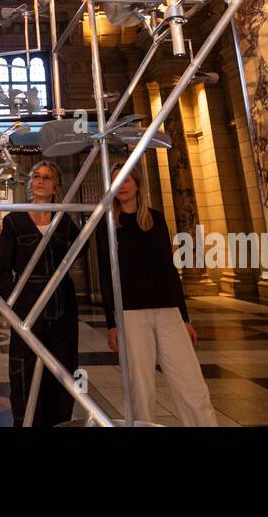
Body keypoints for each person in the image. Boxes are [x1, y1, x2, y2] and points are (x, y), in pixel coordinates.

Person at [95, 165, 218, 426]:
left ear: (138, 183)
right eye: (116, 181)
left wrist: (185, 318)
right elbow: (107, 275)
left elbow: (170, 269)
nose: (123, 185)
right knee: (141, 388)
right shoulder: (107, 225)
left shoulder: (156, 219)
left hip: (167, 310)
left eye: (126, 179)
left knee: (191, 383)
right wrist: (112, 323)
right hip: (130, 314)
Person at [0, 160, 79, 427]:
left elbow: (80, 250)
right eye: (37, 177)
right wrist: (10, 308)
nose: (41, 181)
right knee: (24, 373)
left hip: (62, 307)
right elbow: (3, 270)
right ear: (30, 183)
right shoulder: (14, 221)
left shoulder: (64, 221)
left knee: (61, 371)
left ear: (56, 186)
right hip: (27, 308)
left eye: (47, 177)